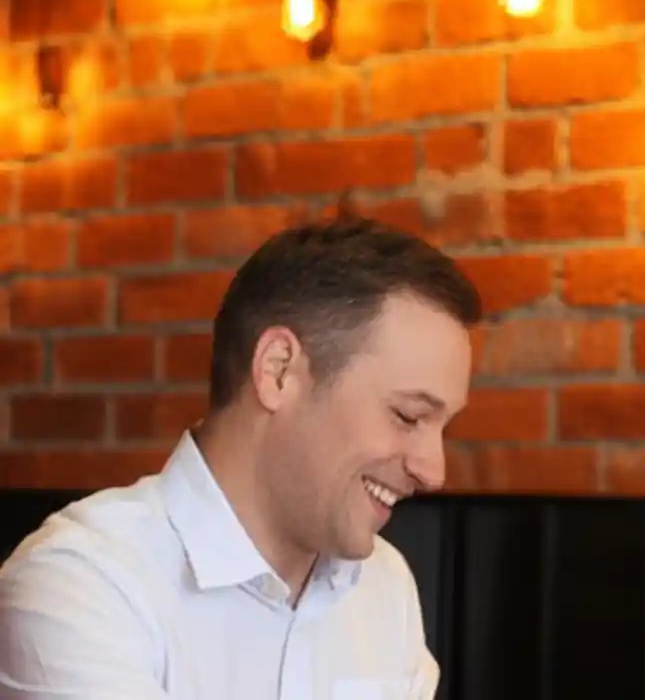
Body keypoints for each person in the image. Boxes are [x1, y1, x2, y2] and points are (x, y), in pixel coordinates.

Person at [0, 217, 481, 699]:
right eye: (407, 415)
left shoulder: (386, 585)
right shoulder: (82, 582)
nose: (432, 471)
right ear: (278, 371)